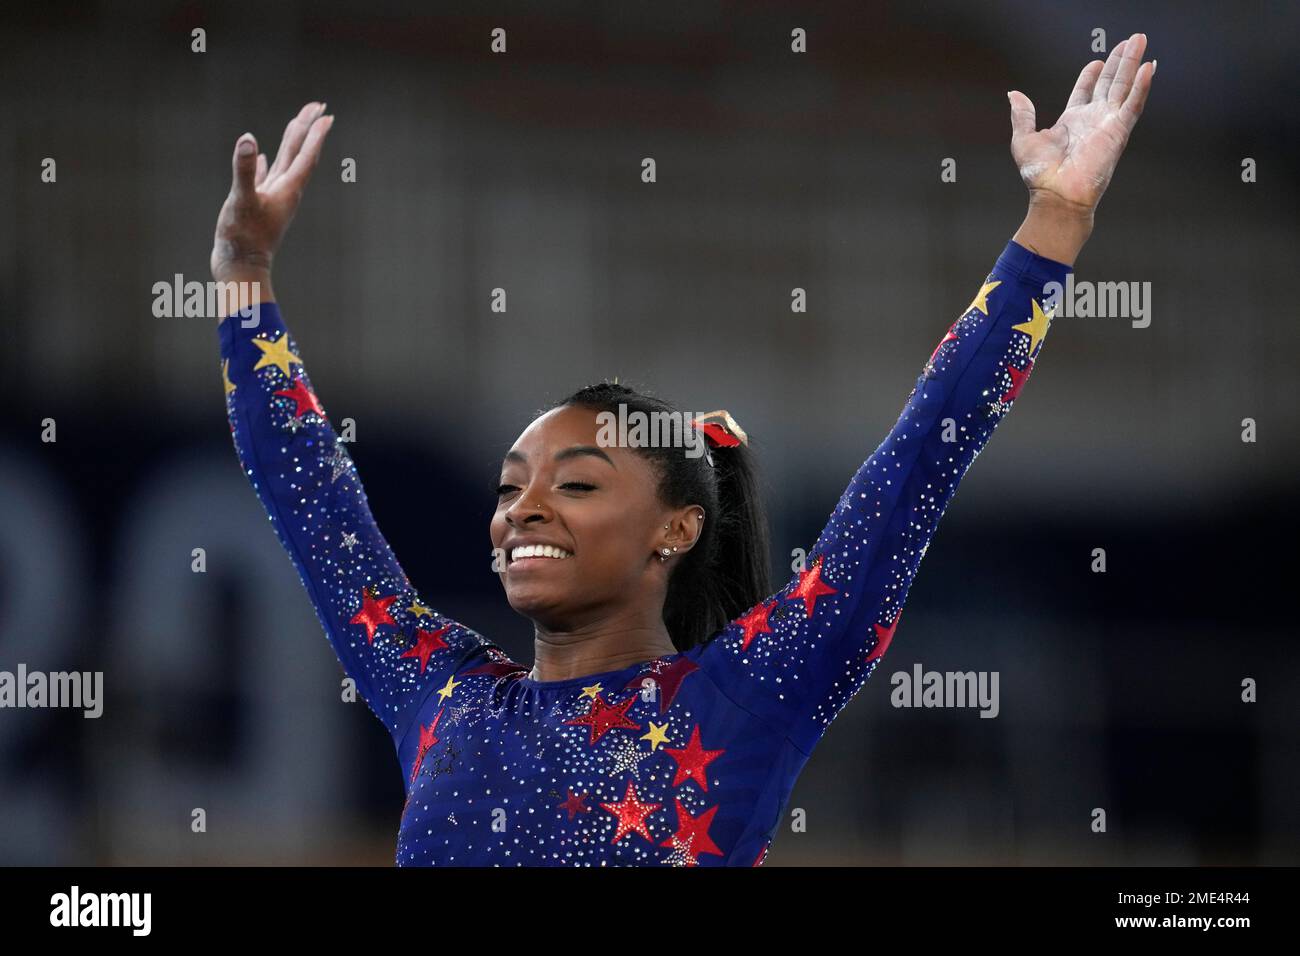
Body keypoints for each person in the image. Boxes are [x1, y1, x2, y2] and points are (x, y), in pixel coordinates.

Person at [210, 35, 1154, 865]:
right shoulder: (442, 699)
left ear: (676, 529)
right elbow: (314, 502)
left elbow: (918, 464)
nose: (521, 510)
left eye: (575, 483)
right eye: (509, 489)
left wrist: (1054, 224)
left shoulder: (747, 693)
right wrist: (244, 278)